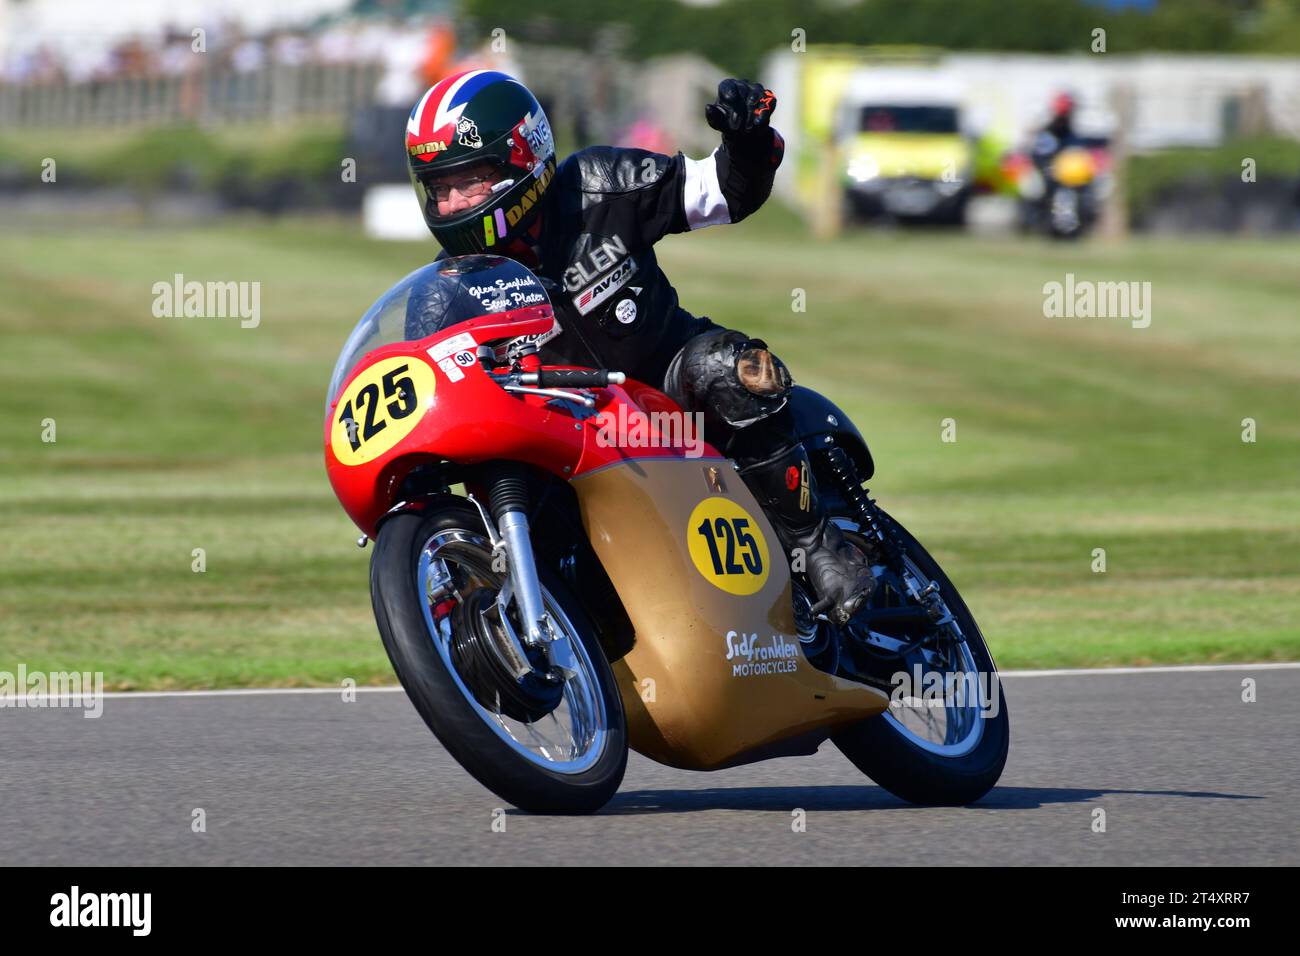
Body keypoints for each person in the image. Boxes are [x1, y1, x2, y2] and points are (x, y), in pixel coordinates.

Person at [404, 69, 872, 624]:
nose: (454, 204)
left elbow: (722, 190)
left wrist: (747, 142)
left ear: (521, 160)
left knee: (733, 369)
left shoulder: (598, 184)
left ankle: (817, 545)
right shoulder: (444, 297)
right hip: (570, 445)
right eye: (439, 189)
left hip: (671, 393)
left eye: (470, 182)